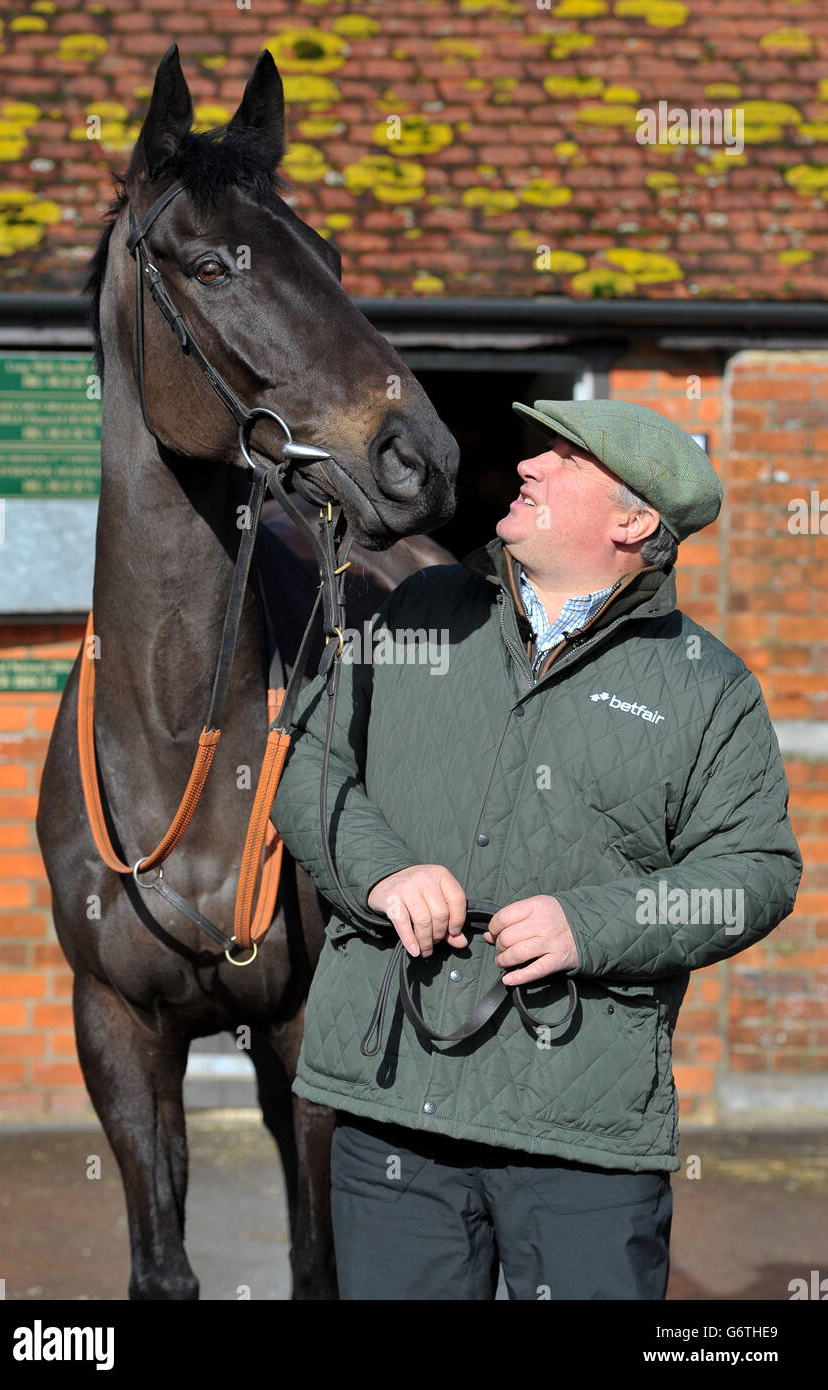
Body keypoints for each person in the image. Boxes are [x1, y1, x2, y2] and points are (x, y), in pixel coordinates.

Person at [270, 398, 802, 1301]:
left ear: (633, 522)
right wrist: (383, 870)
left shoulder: (705, 687)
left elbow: (754, 874)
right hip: (398, 1108)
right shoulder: (422, 611)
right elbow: (306, 761)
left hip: (581, 1136)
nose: (527, 466)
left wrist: (587, 924)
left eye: (565, 459)